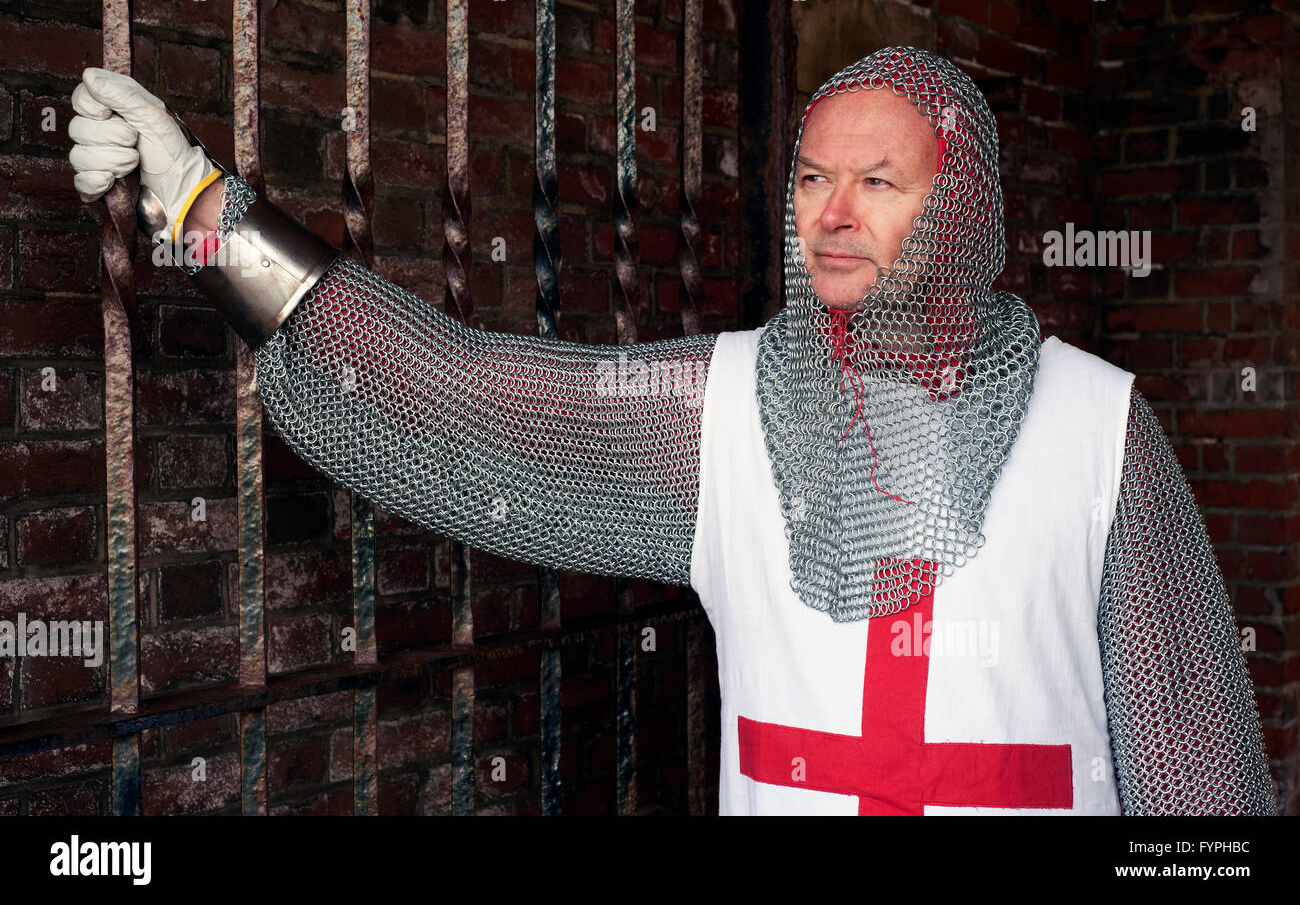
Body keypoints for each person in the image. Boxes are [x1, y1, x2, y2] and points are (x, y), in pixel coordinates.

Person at [68, 45, 1278, 815]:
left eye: (881, 182)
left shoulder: (1097, 429)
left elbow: (1200, 786)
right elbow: (460, 396)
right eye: (809, 179)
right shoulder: (731, 407)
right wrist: (199, 206)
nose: (833, 215)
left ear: (959, 210)